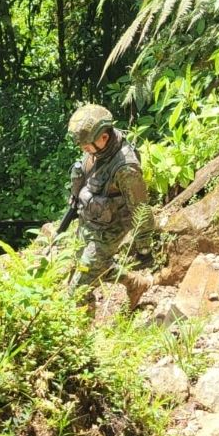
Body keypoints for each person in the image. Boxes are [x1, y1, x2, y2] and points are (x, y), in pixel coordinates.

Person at [60, 104, 155, 311]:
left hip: (110, 230)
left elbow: (141, 209)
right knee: (88, 266)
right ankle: (135, 284)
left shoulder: (125, 167)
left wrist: (144, 248)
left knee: (77, 291)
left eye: (86, 145)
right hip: (90, 222)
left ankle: (81, 337)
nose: (83, 149)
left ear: (103, 136)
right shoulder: (97, 152)